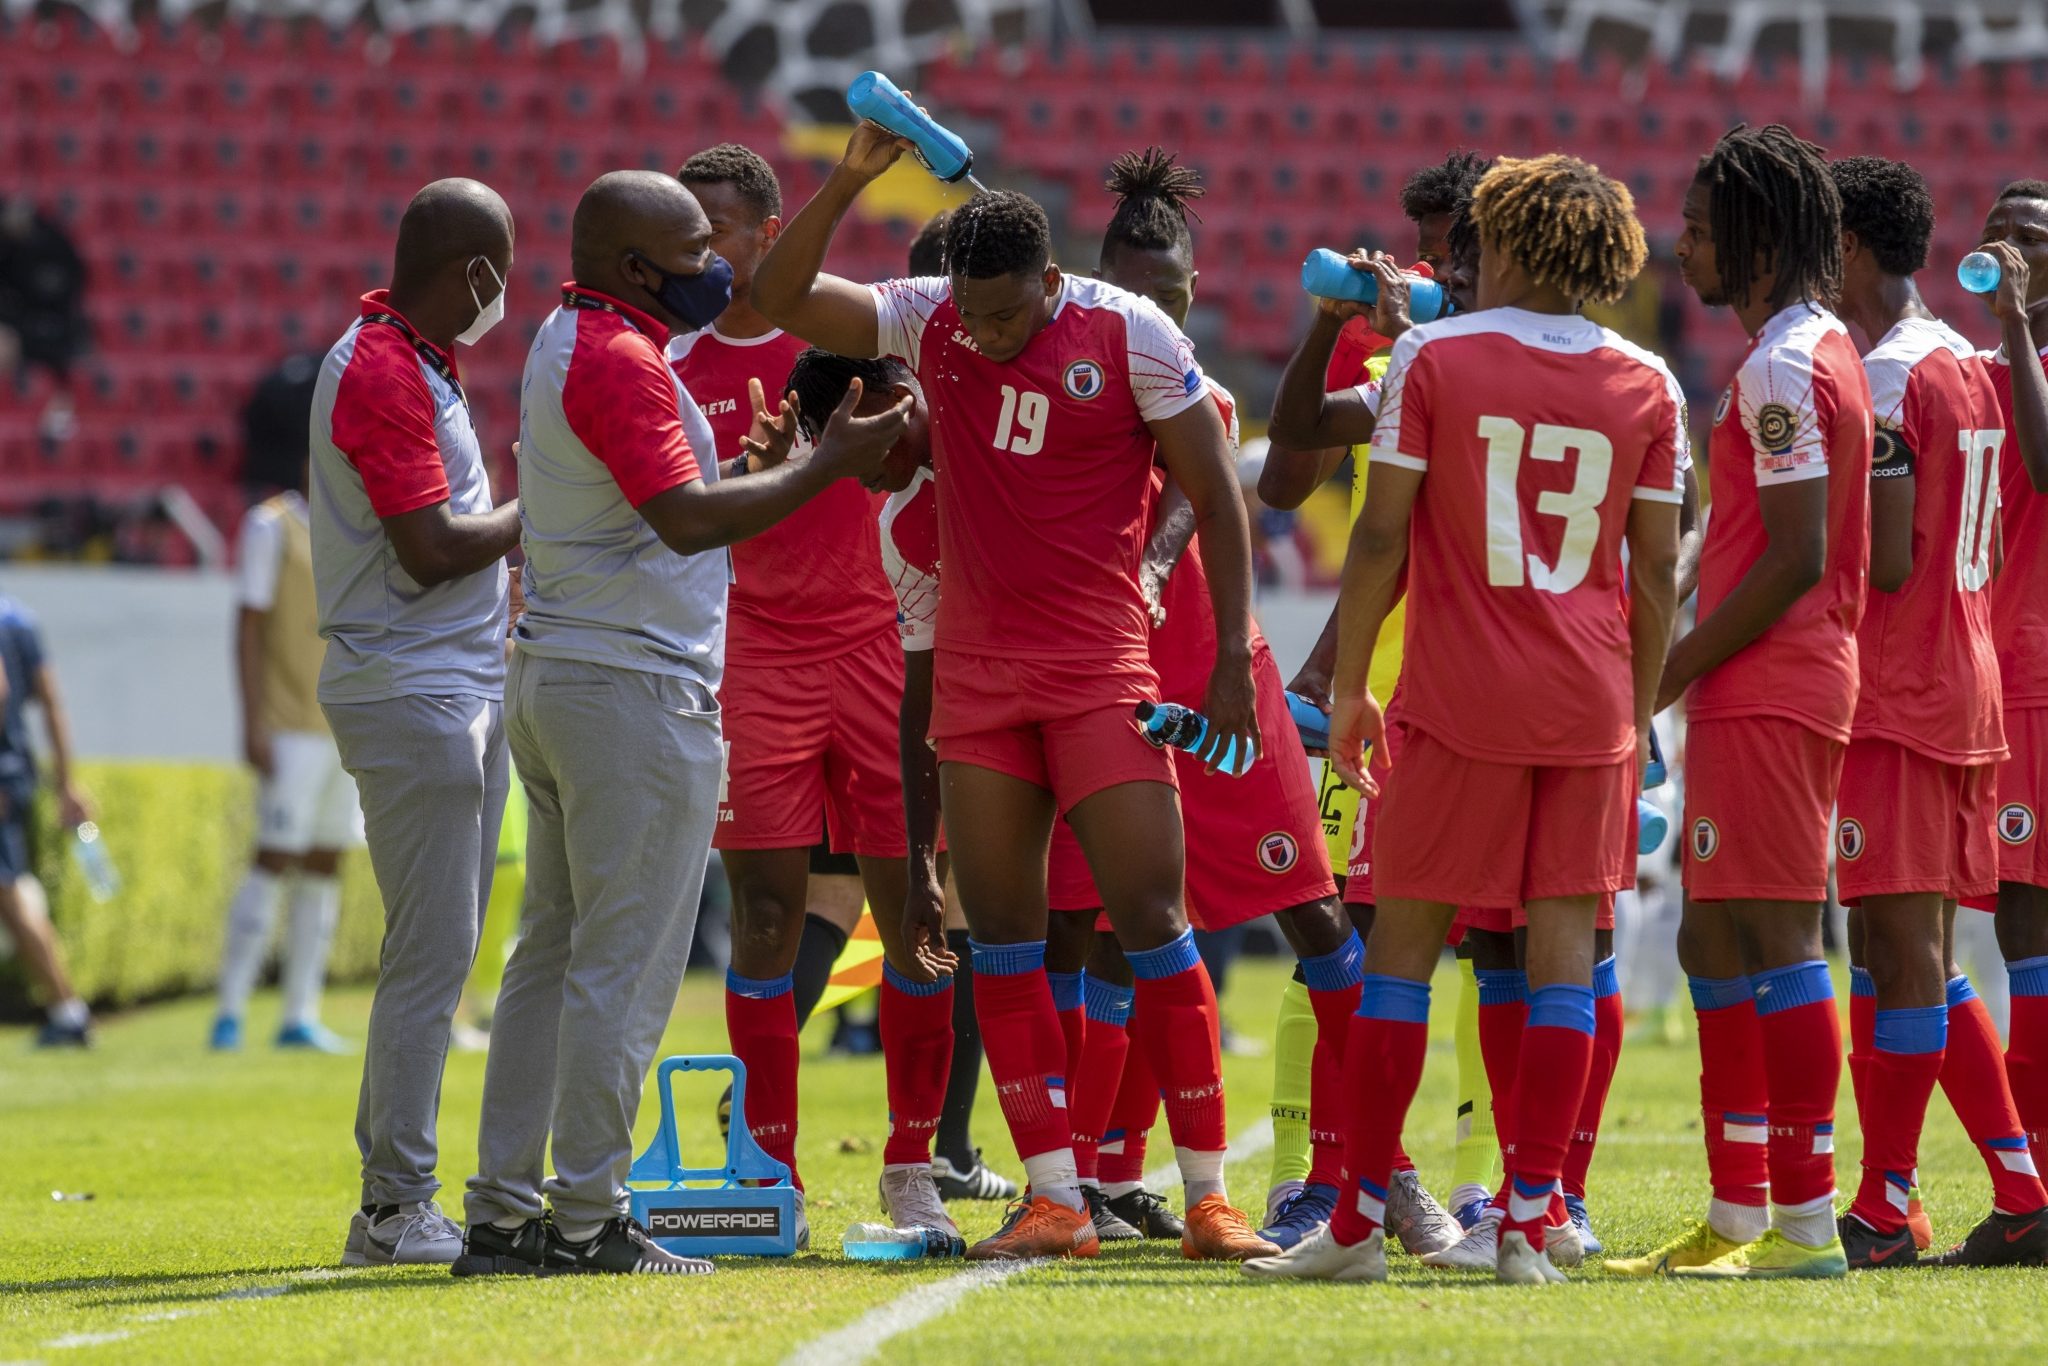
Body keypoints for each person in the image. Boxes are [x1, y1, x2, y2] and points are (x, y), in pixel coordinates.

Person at [753, 123, 1270, 1263]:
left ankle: (1206, 1194)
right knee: (1004, 939)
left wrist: (1229, 651)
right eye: (968, 315)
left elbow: (1217, 495)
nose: (981, 335)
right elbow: (783, 294)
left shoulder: (1131, 332)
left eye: (1002, 314)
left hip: (1098, 672)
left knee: (1151, 922)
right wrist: (846, 179)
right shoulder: (927, 313)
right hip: (982, 688)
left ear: (1049, 280)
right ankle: (1052, 1198)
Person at [456, 170, 909, 1278]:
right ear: (632, 266)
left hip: (567, 673)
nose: (717, 267)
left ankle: (507, 1207)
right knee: (625, 961)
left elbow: (658, 507)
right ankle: (586, 1215)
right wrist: (825, 465)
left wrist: (759, 470)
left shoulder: (576, 335)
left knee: (552, 954)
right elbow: (683, 521)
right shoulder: (620, 356)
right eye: (693, 249)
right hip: (631, 690)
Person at [1246, 152, 1681, 1286]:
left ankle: (1349, 1224)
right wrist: (1634, 720)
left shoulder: (1434, 355)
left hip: (1453, 695)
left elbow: (1380, 537)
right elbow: (1650, 579)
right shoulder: (1648, 380)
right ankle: (1530, 1223)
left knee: (1396, 951)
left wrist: (1344, 693)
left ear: (1512, 239)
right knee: (1553, 960)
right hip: (1588, 705)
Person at [1038, 146, 1389, 1255]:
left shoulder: (1200, 388)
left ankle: (1382, 1169)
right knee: (1114, 936)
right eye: (1137, 293)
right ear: (1100, 285)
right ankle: (1096, 1173)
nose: (1157, 314)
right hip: (1112, 691)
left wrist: (1148, 573)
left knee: (1317, 915)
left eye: (1174, 297)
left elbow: (1202, 496)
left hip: (1218, 685)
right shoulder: (1065, 384)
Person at [664, 143, 948, 1229]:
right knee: (766, 915)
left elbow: (927, 447)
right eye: (687, 227)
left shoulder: (839, 333)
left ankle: (912, 1164)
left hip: (879, 644)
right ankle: (765, 1168)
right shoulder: (669, 360)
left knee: (909, 904)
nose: (703, 246)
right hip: (757, 657)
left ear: (766, 232)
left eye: (721, 226)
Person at [1607, 124, 1870, 1281]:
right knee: (1713, 937)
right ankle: (1732, 1210)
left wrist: (1662, 669)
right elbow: (1760, 533)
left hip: (1774, 681)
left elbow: (1796, 556)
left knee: (1771, 933)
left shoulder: (1779, 366)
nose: (1682, 247)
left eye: (1705, 228)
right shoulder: (1808, 348)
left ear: (1759, 238)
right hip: (1754, 684)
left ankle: (1804, 1224)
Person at [1260, 152, 1509, 1236]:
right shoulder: (1392, 338)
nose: (1433, 261)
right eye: (1428, 240)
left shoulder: (1556, 354)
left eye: (1458, 241)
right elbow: (1287, 480)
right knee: (1339, 933)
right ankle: (1316, 1173)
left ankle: (1488, 1184)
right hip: (1385, 689)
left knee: (1500, 941)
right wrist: (1331, 323)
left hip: (1499, 683)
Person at [1826, 155, 2048, 1270]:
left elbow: (1886, 558)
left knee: (1903, 947)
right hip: (1964, 678)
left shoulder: (1878, 378)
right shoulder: (1967, 362)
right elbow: (1995, 534)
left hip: (1899, 689)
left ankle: (1886, 1198)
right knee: (1901, 943)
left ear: (1847, 251)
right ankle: (2011, 1185)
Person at [311, 177, 522, 1267]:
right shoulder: (384, 369)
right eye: (504, 274)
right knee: (430, 955)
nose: (507, 295)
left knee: (441, 949)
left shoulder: (415, 361)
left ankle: (400, 1196)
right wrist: (546, 514)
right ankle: (393, 1206)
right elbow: (429, 546)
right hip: (413, 685)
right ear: (475, 274)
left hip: (444, 681)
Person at [900, 206, 1019, 1206]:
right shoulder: (956, 420)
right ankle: (934, 1140)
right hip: (939, 689)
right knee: (953, 915)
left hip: (897, 685)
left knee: (816, 910)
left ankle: (937, 1139)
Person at [211, 464, 365, 1054]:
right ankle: (229, 1011)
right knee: (273, 857)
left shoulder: (359, 525)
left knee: (325, 861)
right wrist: (252, 720)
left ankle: (300, 1013)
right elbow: (247, 626)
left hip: (344, 723)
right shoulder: (269, 526)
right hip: (288, 725)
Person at [1969, 176, 2048, 1265]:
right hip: (1970, 676)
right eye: (2000, 237)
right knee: (2004, 927)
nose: (2014, 251)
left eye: (2033, 240)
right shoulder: (1959, 370)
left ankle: (2029, 1178)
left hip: (2035, 677)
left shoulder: (2022, 368)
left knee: (2028, 923)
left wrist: (2020, 325)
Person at [0, 594, 96, 1047]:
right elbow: (52, 700)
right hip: (14, 774)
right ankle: (67, 1012)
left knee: (12, 895)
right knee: (13, 893)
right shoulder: (18, 618)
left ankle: (68, 1012)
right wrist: (65, 781)